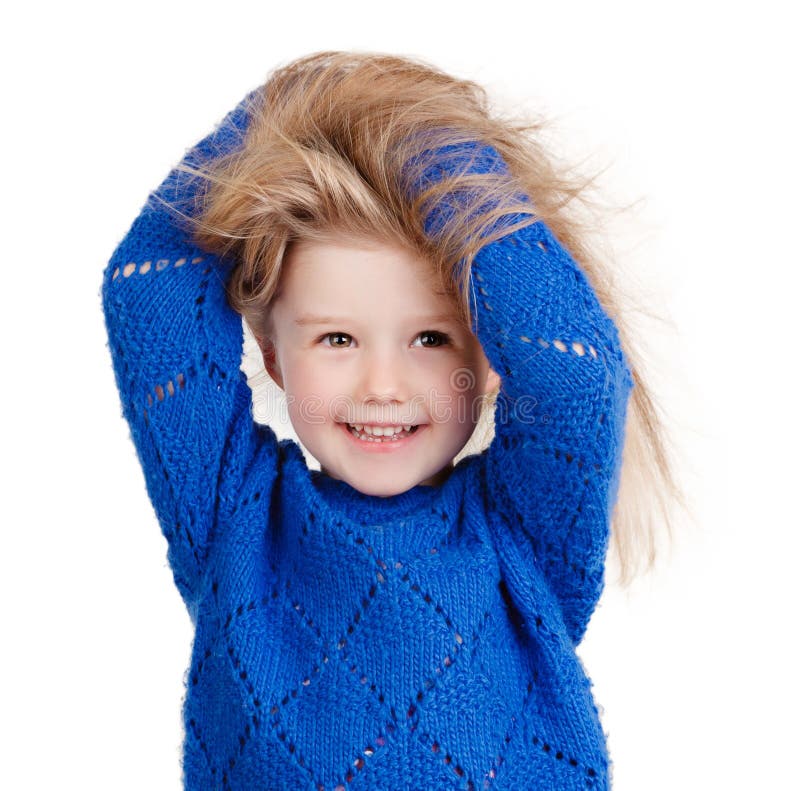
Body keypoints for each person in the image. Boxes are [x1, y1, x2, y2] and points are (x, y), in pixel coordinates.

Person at [102, 51, 679, 791]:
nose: (382, 385)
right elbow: (145, 285)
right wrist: (298, 100)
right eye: (337, 339)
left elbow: (576, 371)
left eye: (431, 338)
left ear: (493, 352)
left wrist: (430, 150)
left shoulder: (525, 535)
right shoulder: (231, 517)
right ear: (274, 356)